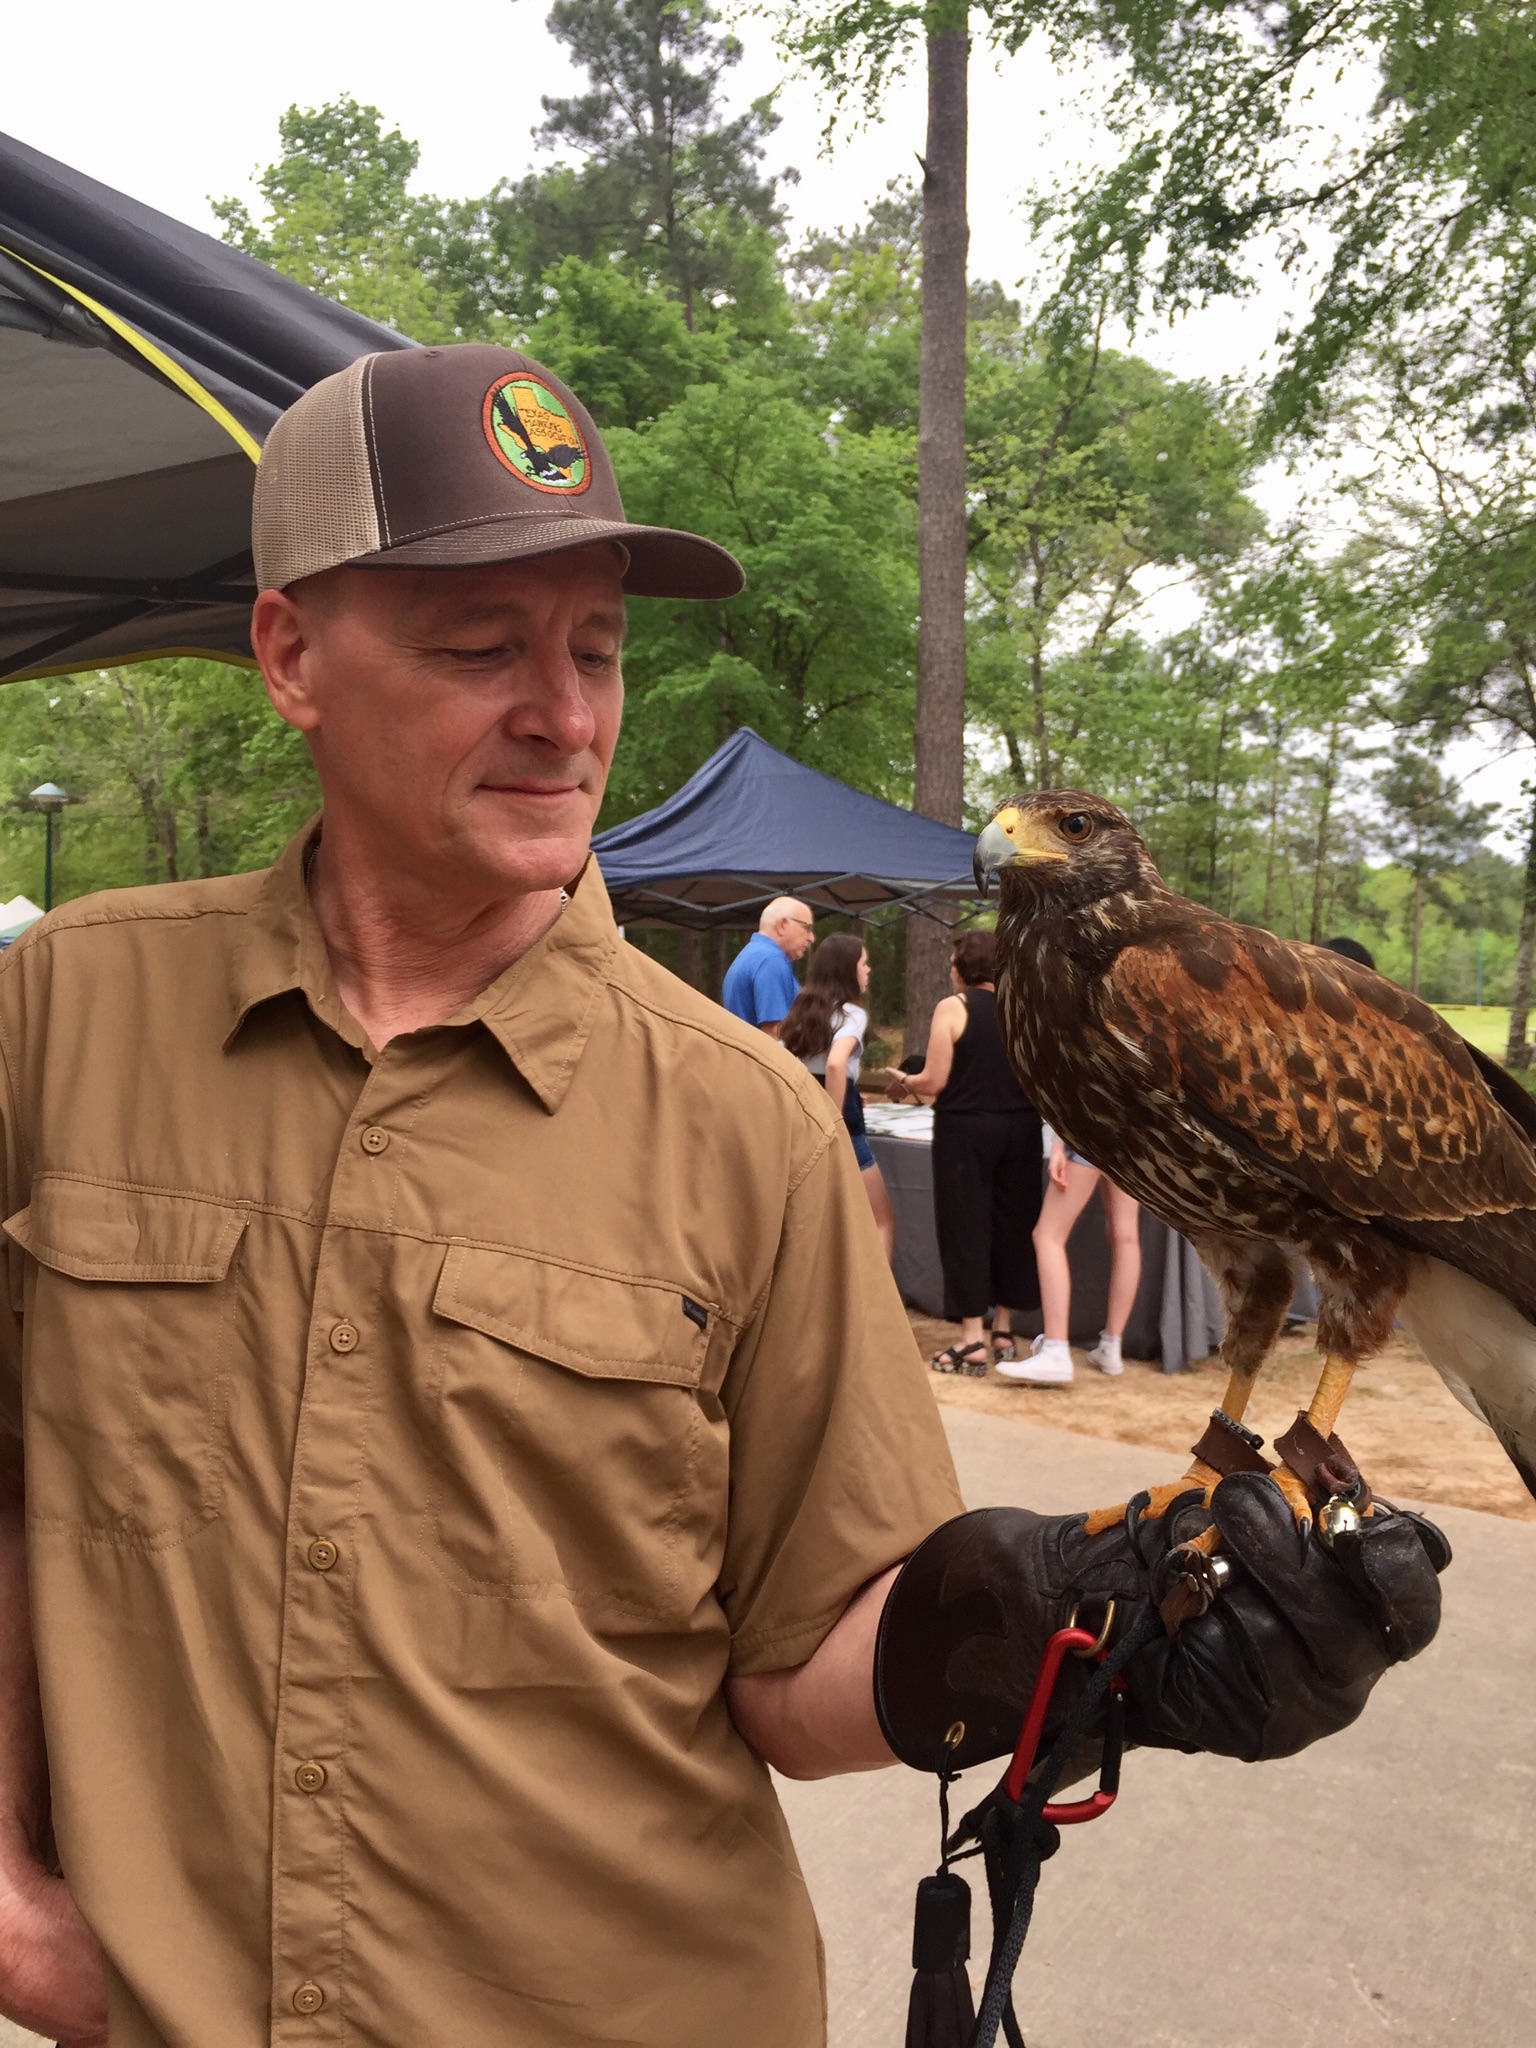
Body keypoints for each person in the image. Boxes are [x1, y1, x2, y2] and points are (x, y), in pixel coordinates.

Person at [0, 343, 1448, 2048]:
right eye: (483, 648)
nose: (567, 711)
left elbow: (797, 1663)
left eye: (597, 647)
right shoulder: (64, 1020)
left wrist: (1067, 1633)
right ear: (291, 653)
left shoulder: (745, 1124)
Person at [888, 929, 1043, 1374]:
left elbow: (934, 1081)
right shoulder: (1023, 1010)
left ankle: (971, 1337)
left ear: (962, 969)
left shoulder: (952, 1008)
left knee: (966, 1226)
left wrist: (903, 1081)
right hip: (1021, 1128)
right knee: (1013, 1224)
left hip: (966, 1130)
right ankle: (1005, 1329)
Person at [781, 932, 895, 1259]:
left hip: (802, 1121)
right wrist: (833, 1119)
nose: (869, 970)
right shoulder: (851, 1015)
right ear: (848, 970)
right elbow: (835, 1064)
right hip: (842, 1128)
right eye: (864, 963)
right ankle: (876, 1306)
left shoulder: (800, 1014)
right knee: (881, 1220)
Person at [1008, 1133, 1142, 1385]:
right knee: (1125, 1235)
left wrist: (1059, 1144)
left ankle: (1055, 1349)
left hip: (1090, 1129)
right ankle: (1111, 1346)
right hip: (1131, 1134)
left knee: (1048, 1235)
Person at [721, 896, 815, 1035]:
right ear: (782, 925)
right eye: (806, 928)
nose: (811, 938)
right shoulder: (771, 960)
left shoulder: (751, 954)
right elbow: (774, 1033)